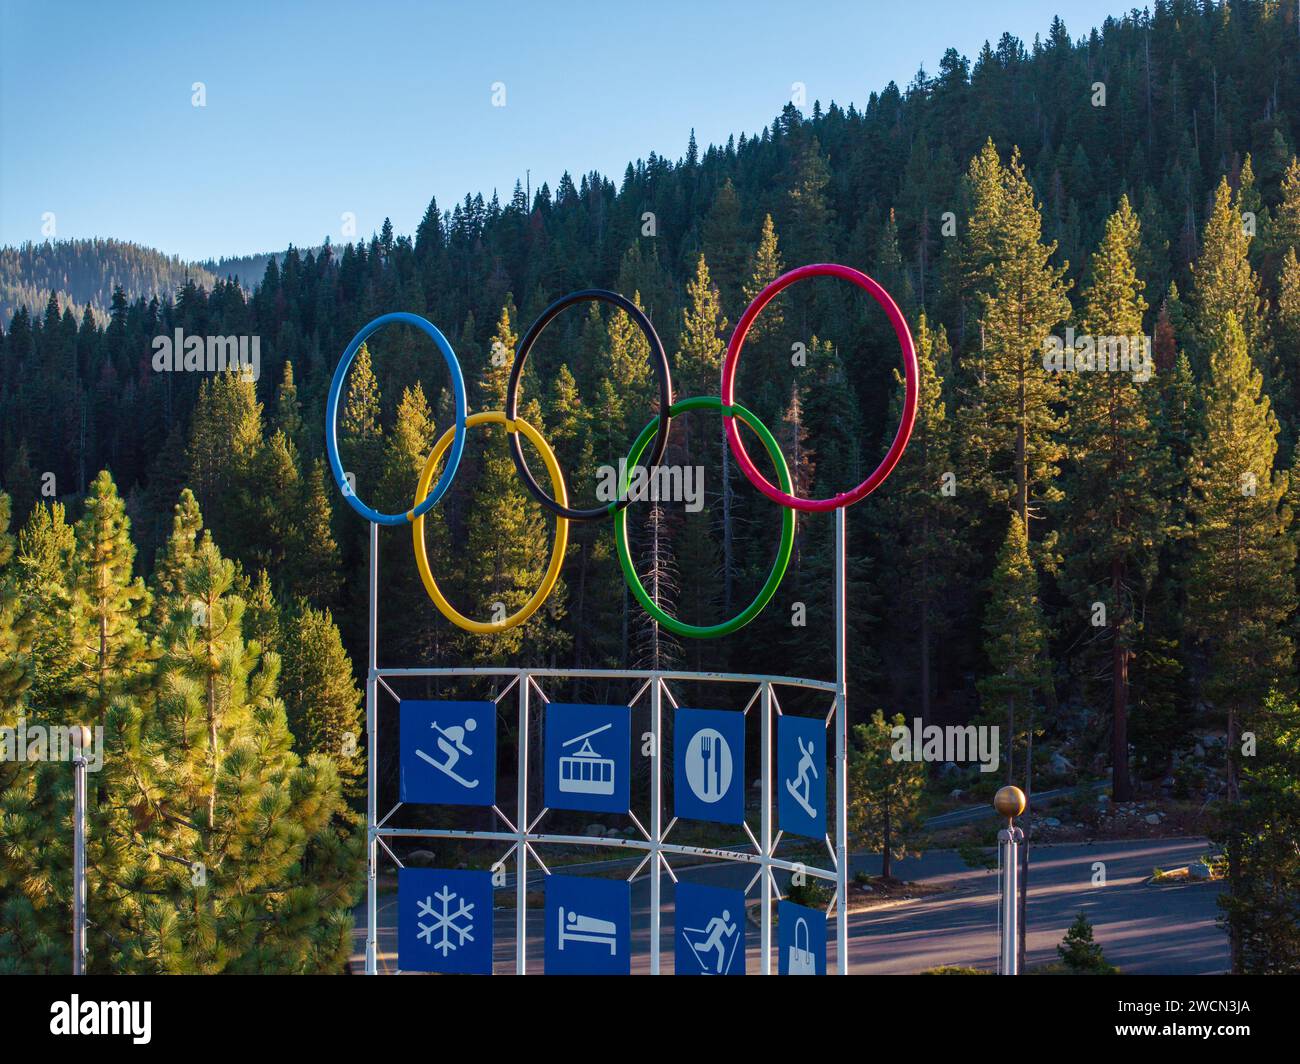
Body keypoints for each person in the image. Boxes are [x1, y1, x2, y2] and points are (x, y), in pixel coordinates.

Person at [697, 909, 736, 973]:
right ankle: (696, 946)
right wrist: (708, 929)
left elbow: (728, 934)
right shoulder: (720, 920)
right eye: (726, 916)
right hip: (714, 936)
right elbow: (713, 920)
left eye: (728, 917)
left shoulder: (724, 925)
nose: (727, 918)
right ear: (724, 916)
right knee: (707, 948)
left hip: (716, 938)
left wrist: (733, 927)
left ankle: (719, 969)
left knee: (720, 950)